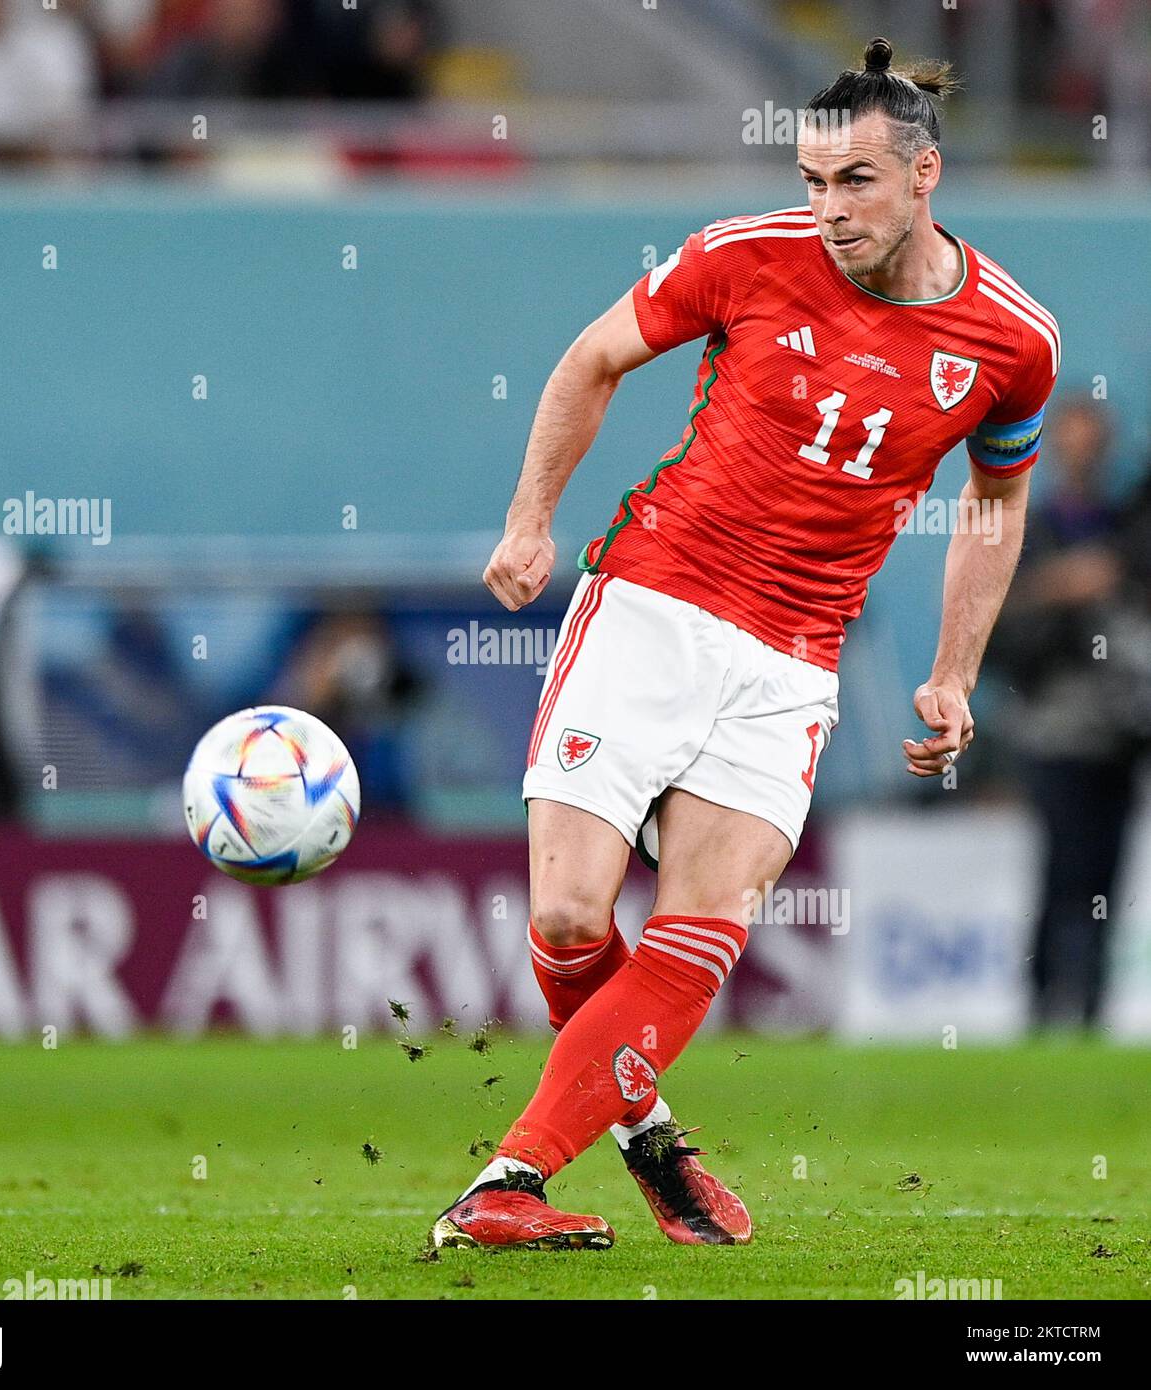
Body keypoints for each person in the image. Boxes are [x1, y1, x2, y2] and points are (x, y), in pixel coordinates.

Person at [431, 37, 1060, 1251]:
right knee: (568, 918)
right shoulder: (740, 255)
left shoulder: (1011, 340)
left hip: (791, 661)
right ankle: (649, 1139)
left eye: (856, 183)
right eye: (815, 180)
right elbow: (592, 358)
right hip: (653, 600)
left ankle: (507, 1181)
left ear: (925, 176)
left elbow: (996, 498)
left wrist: (952, 667)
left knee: (696, 929)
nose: (827, 211)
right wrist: (529, 520)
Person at [988, 400, 1150, 1028]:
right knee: (1061, 872)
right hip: (1053, 730)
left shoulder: (1125, 528)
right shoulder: (1031, 526)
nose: (1084, 452)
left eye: (1095, 441)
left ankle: (1089, 1010)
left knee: (1105, 876)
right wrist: (1061, 587)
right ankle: (1043, 1005)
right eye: (1073, 439)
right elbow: (997, 629)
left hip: (1120, 730)